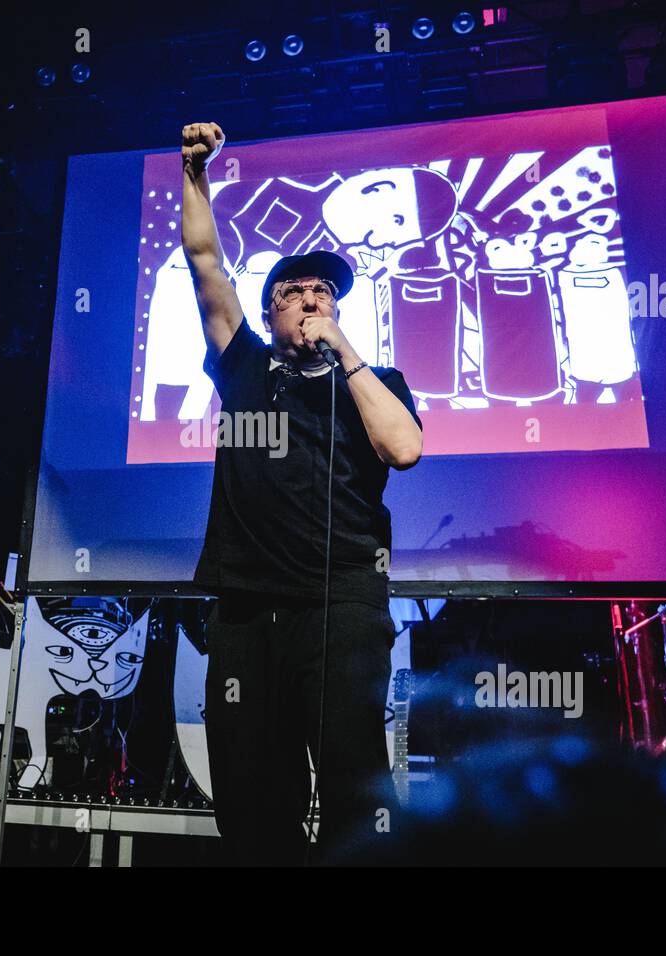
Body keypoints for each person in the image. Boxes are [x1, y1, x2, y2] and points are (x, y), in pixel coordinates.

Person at [180, 121, 424, 865]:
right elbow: (204, 261)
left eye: (324, 292)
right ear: (272, 309)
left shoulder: (373, 382)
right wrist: (195, 174)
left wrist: (345, 353)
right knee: (253, 799)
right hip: (248, 608)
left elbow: (405, 449)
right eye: (294, 291)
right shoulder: (245, 365)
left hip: (343, 605)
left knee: (355, 784)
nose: (311, 299)